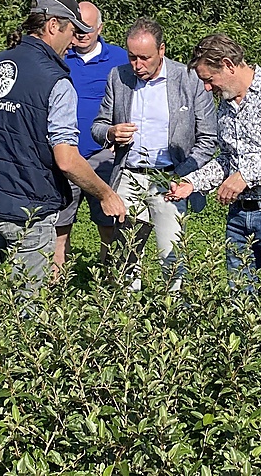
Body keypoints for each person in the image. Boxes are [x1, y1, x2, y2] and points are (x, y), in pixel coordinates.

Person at [0, 0, 127, 294]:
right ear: (52, 26)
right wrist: (106, 194)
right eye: (72, 31)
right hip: (28, 208)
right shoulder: (55, 80)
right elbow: (66, 159)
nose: (74, 40)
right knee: (29, 304)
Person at [167, 33, 261, 277]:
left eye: (209, 79)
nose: (207, 88)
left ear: (228, 65)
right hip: (239, 215)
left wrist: (246, 175)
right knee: (240, 292)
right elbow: (227, 159)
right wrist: (192, 182)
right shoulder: (225, 106)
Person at [91, 17, 217, 291]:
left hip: (170, 178)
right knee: (125, 256)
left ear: (161, 50)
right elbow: (98, 127)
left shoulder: (189, 79)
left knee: (171, 254)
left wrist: (183, 174)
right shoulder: (118, 76)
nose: (137, 65)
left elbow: (208, 138)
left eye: (144, 58)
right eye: (132, 57)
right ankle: (125, 308)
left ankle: (172, 310)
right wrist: (111, 132)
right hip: (129, 177)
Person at [53, 1, 129, 267]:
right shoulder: (59, 55)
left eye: (89, 28)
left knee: (109, 222)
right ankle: (58, 282)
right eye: (78, 28)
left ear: (100, 28)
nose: (82, 34)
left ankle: (109, 280)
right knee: (59, 225)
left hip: (103, 155)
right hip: (65, 153)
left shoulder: (120, 59)